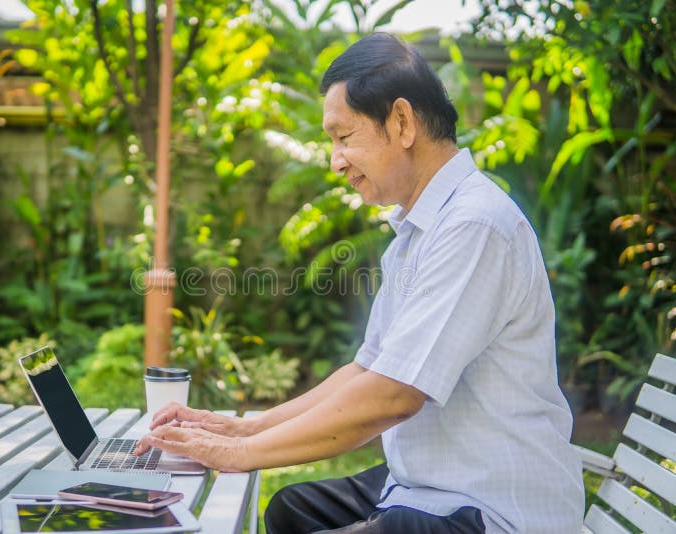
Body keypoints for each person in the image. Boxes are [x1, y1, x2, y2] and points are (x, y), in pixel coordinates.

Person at [135, 32, 584, 533]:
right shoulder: (418, 233)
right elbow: (368, 369)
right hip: (431, 486)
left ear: (402, 122)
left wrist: (240, 453)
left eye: (344, 137)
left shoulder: (473, 226)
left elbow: (394, 395)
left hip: (493, 505)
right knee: (291, 510)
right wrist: (249, 427)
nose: (336, 160)